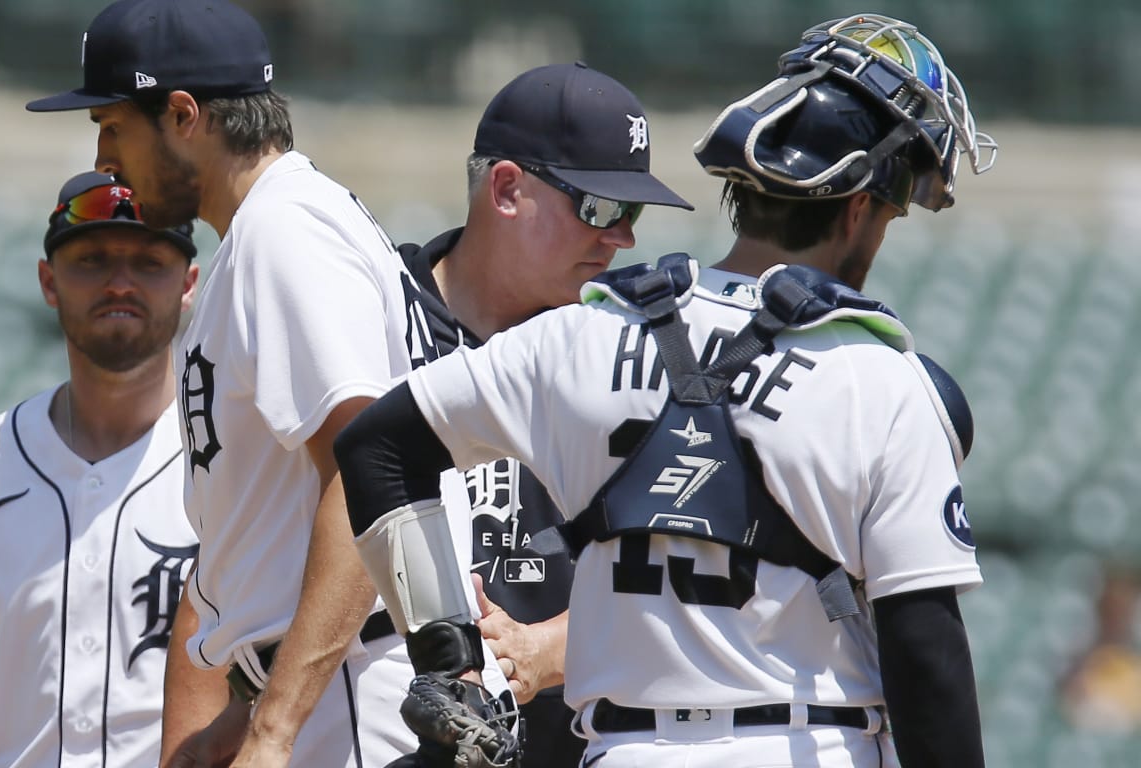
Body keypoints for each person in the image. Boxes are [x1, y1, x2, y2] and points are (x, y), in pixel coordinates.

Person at [337, 13, 997, 768]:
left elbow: (376, 447)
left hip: (622, 749)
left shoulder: (577, 338)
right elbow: (928, 665)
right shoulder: (880, 381)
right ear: (857, 210)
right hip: (808, 742)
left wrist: (445, 653)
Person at [26, 2, 511, 766]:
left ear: (183, 115)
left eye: (114, 126)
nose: (103, 154)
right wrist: (234, 725)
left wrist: (273, 729)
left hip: (357, 688)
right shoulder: (273, 228)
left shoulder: (286, 234)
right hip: (336, 677)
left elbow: (366, 480)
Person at [395, 62, 691, 768]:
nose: (620, 238)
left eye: (633, 214)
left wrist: (545, 647)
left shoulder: (631, 351)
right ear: (506, 189)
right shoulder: (371, 328)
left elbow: (694, 576)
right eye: (597, 207)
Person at [0, 172, 220, 768]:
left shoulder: (235, 462)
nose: (119, 282)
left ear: (188, 285)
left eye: (149, 262)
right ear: (48, 281)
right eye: (91, 260)